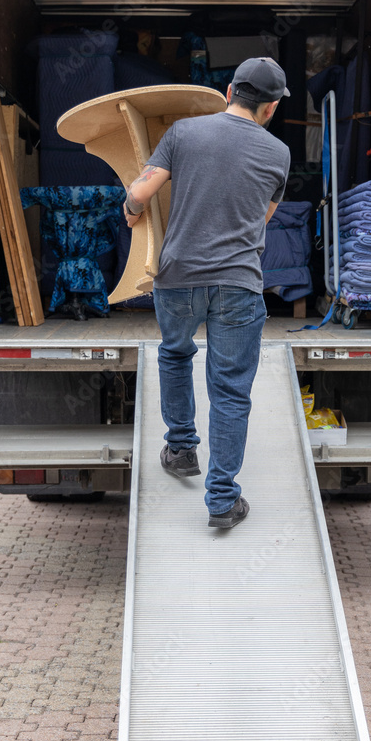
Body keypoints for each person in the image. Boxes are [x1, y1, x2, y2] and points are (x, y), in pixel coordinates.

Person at [123, 57, 291, 529]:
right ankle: (221, 500)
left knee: (176, 355)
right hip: (238, 283)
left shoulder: (183, 132)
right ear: (271, 108)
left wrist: (132, 210)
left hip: (178, 277)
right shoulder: (279, 153)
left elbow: (141, 192)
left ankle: (181, 449)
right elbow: (261, 219)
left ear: (230, 91)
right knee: (231, 392)